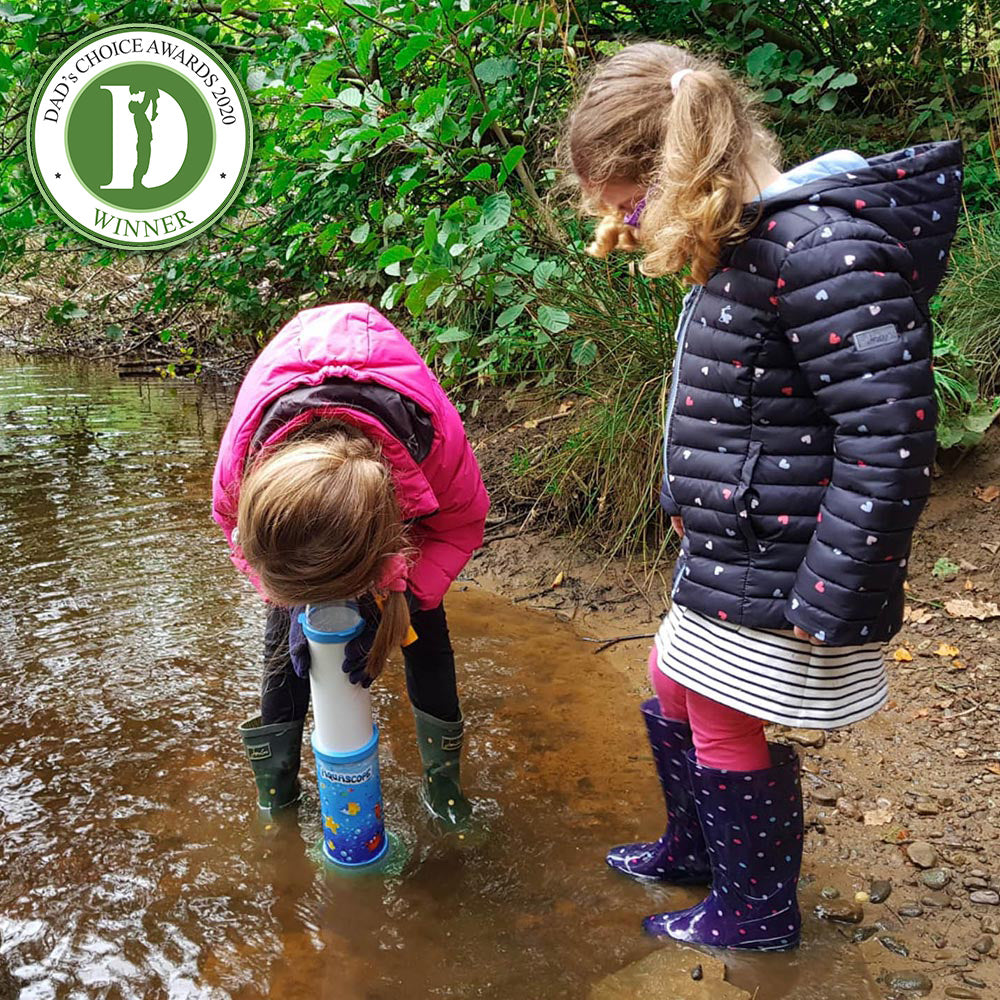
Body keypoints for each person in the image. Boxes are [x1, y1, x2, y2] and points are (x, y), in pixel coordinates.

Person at [562, 43, 961, 950]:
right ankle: (698, 849)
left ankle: (754, 915)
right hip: (733, 539)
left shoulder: (819, 247)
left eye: (628, 206)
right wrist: (681, 490)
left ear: (676, 171)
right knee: (671, 678)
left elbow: (888, 439)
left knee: (721, 715)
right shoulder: (749, 239)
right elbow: (733, 403)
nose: (625, 230)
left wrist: (834, 588)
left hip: (781, 555)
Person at [212, 302, 490, 831]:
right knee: (283, 646)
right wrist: (284, 601)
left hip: (392, 466)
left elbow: (459, 525)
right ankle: (278, 795)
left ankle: (444, 786)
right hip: (295, 447)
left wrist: (403, 595)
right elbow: (235, 533)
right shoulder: (241, 467)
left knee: (424, 631)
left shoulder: (433, 445)